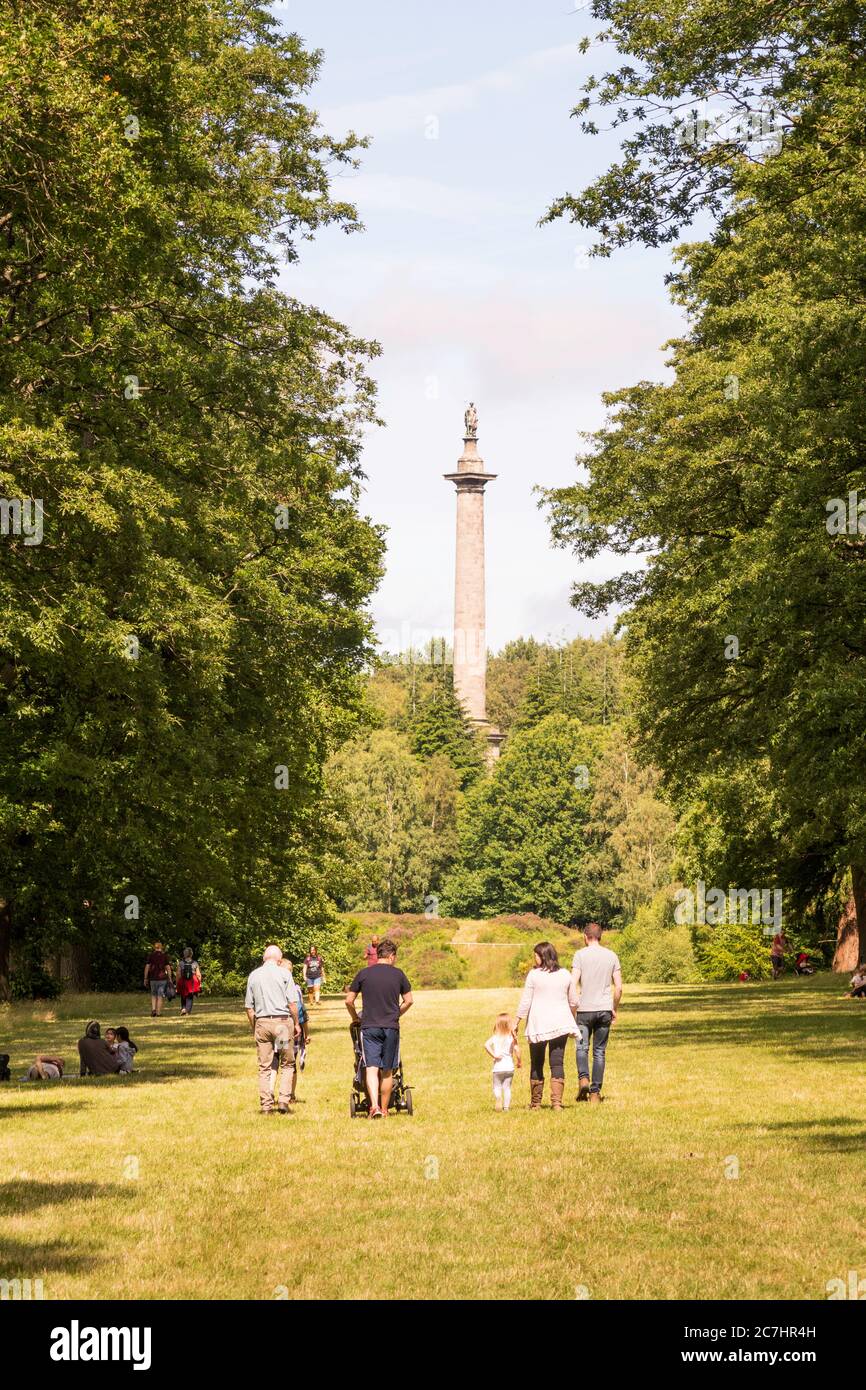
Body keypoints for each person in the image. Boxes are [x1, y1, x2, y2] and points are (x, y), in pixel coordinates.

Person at [345, 937, 413, 1119]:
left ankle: (373, 1107)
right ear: (391, 956)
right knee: (388, 1070)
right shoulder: (398, 974)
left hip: (369, 1027)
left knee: (371, 1068)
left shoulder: (364, 974)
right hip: (390, 1027)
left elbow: (349, 1000)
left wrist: (355, 1018)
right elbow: (409, 1001)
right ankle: (384, 1109)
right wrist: (396, 1013)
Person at [513, 942, 578, 1111]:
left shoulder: (534, 975)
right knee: (557, 1063)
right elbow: (574, 1001)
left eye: (535, 955)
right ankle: (556, 1103)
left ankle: (536, 1103)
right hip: (560, 1023)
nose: (534, 958)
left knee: (537, 1062)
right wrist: (572, 1017)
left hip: (538, 1023)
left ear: (543, 956)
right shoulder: (565, 974)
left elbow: (526, 1000)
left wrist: (516, 1020)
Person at [244, 945, 301, 1115]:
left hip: (262, 1022)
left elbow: (249, 1007)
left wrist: (255, 1025)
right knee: (287, 1063)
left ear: (264, 958)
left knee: (264, 1066)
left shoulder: (253, 975)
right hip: (282, 1024)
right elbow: (292, 1003)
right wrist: (297, 1023)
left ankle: (266, 1105)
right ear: (279, 959)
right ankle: (283, 1100)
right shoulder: (284, 974)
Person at [571, 921, 622, 1104]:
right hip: (603, 1010)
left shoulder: (579, 955)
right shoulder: (611, 956)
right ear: (600, 936)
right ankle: (595, 1093)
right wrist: (614, 1008)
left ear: (585, 937)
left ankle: (583, 1078)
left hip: (584, 1010)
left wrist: (573, 1007)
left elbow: (572, 983)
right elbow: (619, 988)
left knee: (581, 1047)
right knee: (599, 1051)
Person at [278, 959, 307, 1103]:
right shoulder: (295, 989)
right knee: (289, 1063)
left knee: (278, 1061)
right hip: (290, 1028)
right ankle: (290, 1095)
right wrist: (303, 1030)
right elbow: (301, 1012)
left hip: (278, 1027)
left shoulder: (274, 986)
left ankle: (280, 1093)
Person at [484, 1013, 521, 1112]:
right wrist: (519, 1061)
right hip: (509, 1067)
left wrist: (494, 1055)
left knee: (497, 1086)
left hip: (498, 1067)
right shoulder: (512, 1038)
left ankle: (498, 1097)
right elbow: (517, 1050)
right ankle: (506, 1108)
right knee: (507, 1088)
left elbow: (486, 1045)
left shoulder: (495, 1037)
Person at [144, 941, 174, 1017]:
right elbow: (168, 968)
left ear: (155, 947)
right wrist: (170, 978)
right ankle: (158, 1013)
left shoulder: (151, 956)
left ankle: (153, 1010)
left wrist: (145, 978)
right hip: (162, 979)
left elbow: (147, 967)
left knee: (153, 995)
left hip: (153, 979)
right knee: (160, 996)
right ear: (161, 947)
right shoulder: (164, 956)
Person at [176, 947, 202, 1017]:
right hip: (192, 981)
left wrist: (177, 982)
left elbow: (178, 974)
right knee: (190, 996)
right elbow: (198, 974)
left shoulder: (181, 963)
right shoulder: (195, 963)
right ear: (191, 954)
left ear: (184, 954)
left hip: (183, 980)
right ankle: (187, 1011)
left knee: (183, 995)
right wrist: (200, 983)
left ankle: (183, 1008)